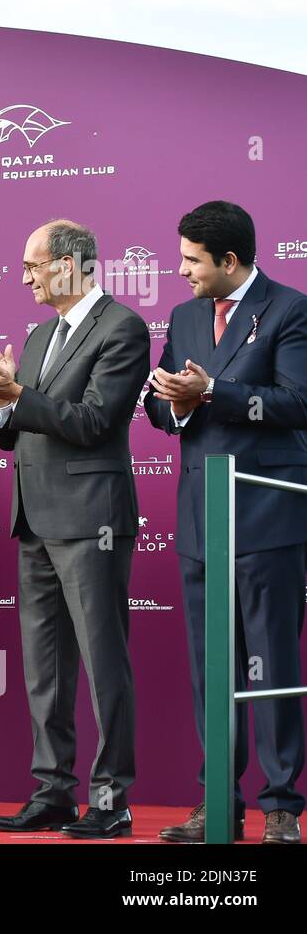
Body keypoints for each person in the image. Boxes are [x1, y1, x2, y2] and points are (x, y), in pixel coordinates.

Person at [0, 220, 150, 839]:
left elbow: (95, 420)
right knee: (45, 668)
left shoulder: (122, 327)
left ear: (71, 264)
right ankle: (52, 792)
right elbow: (13, 429)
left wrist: (15, 390)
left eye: (35, 265)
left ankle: (111, 799)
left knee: (102, 662)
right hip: (34, 519)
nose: (24, 278)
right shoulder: (42, 333)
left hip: (90, 519)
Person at [144, 201, 306, 845]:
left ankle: (283, 805)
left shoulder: (291, 310)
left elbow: (299, 404)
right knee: (213, 670)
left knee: (271, 666)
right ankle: (219, 803)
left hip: (267, 514)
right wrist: (176, 405)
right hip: (199, 516)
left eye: (190, 260)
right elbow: (162, 409)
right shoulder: (184, 316)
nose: (180, 270)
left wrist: (212, 392)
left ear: (229, 261)